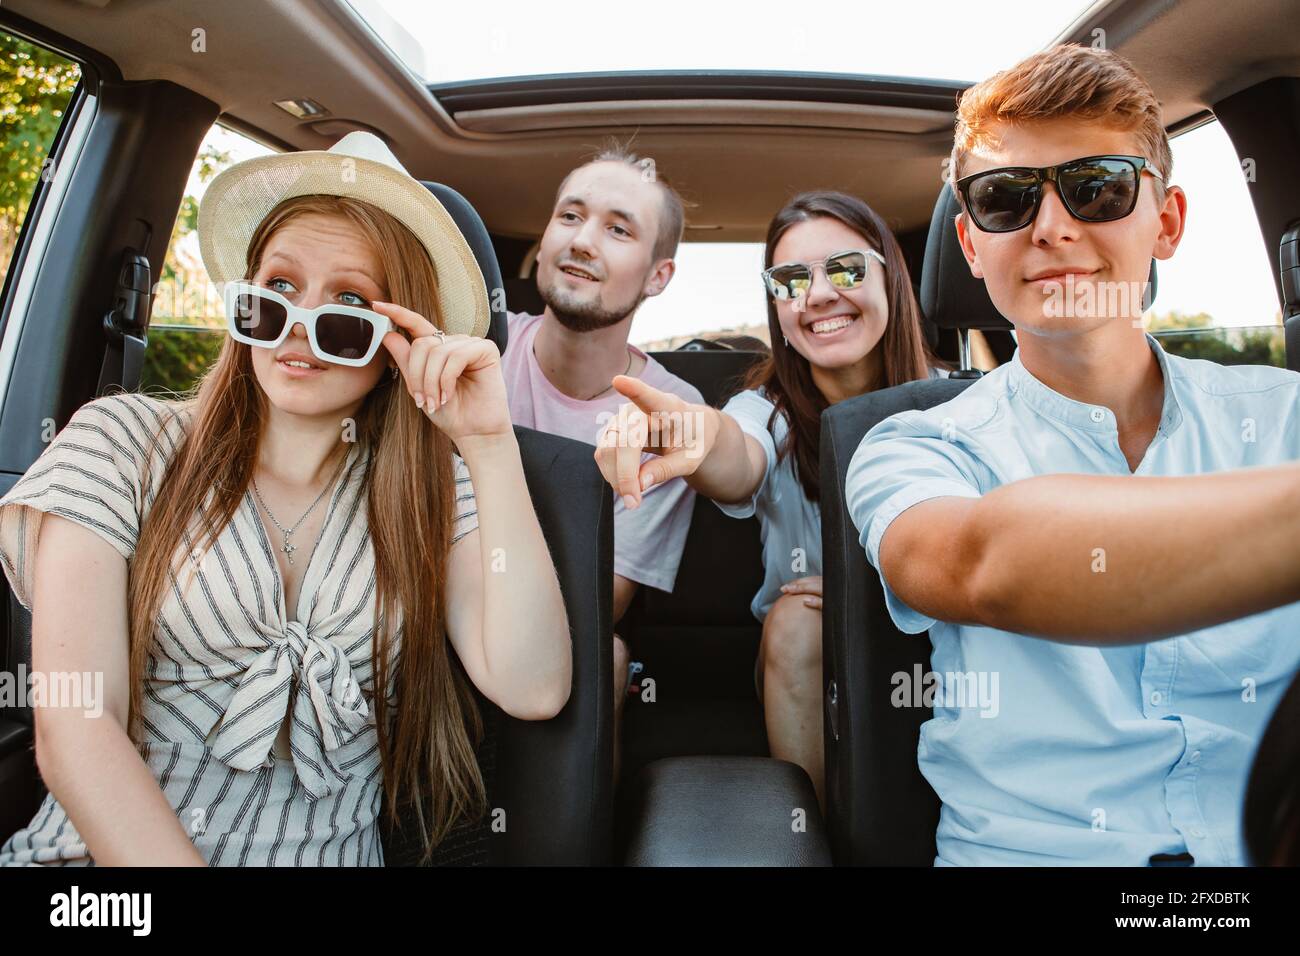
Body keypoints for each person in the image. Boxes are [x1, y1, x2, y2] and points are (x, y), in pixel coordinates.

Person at [0, 132, 571, 866]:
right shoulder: (120, 443)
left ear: (398, 341)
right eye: (275, 291)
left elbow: (534, 686)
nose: (298, 327)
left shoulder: (434, 490)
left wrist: (489, 444)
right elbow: (77, 725)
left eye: (347, 306)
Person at [845, 44, 1300, 865]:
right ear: (973, 246)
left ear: (1167, 221)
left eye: (1097, 188)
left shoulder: (1286, 419)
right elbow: (985, 563)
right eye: (1004, 199)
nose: (1052, 227)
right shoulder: (910, 446)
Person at [595, 191, 941, 807]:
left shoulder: (958, 407)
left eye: (846, 268)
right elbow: (736, 455)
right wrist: (690, 433)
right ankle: (813, 837)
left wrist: (860, 597)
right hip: (814, 658)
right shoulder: (766, 412)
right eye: (789, 280)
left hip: (945, 654)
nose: (818, 295)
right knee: (795, 626)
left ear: (892, 275)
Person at [499, 145, 703, 775]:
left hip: (557, 638)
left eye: (618, 229)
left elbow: (601, 599)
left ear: (657, 277)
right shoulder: (483, 349)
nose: (583, 241)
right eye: (569, 217)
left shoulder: (672, 411)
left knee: (605, 655)